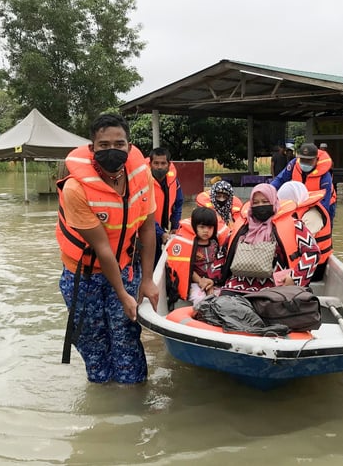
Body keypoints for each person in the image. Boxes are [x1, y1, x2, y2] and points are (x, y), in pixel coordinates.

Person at [56, 113, 159, 384]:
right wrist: (122, 293)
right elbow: (102, 248)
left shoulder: (141, 176)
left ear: (129, 145)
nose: (112, 151)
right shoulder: (75, 189)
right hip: (84, 276)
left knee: (126, 336)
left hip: (125, 267)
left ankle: (132, 408)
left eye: (119, 144)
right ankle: (102, 401)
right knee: (93, 343)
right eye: (103, 145)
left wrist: (147, 279)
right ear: (92, 148)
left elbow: (148, 229)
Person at [216, 184, 320, 295]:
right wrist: (213, 278)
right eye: (256, 203)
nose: (260, 206)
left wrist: (295, 277)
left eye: (265, 202)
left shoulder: (294, 225)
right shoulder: (242, 226)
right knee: (223, 307)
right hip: (236, 286)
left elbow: (313, 253)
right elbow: (222, 253)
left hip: (277, 287)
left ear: (274, 201)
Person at [164, 206, 225, 309]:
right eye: (202, 227)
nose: (206, 231)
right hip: (195, 281)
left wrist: (211, 282)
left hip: (212, 280)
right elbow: (188, 268)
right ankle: (201, 318)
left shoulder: (215, 244)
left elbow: (218, 265)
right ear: (194, 227)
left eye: (210, 228)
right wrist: (201, 281)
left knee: (221, 297)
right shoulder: (190, 245)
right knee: (199, 298)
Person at [276, 181, 333, 280]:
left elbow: (304, 245)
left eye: (287, 201)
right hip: (297, 262)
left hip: (313, 267)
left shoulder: (313, 215)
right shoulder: (298, 211)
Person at [270, 142, 337, 222]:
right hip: (302, 201)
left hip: (324, 202)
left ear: (316, 159)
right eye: (303, 160)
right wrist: (267, 191)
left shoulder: (325, 175)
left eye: (309, 160)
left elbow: (325, 202)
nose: (305, 163)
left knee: (322, 225)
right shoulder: (294, 164)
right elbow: (280, 180)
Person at [147, 147, 184, 264]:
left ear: (169, 164)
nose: (159, 167)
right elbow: (142, 212)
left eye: (163, 163)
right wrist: (160, 233)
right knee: (149, 262)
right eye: (156, 163)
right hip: (144, 230)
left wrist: (174, 227)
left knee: (159, 262)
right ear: (150, 163)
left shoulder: (173, 181)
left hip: (162, 229)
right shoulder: (142, 181)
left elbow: (178, 204)